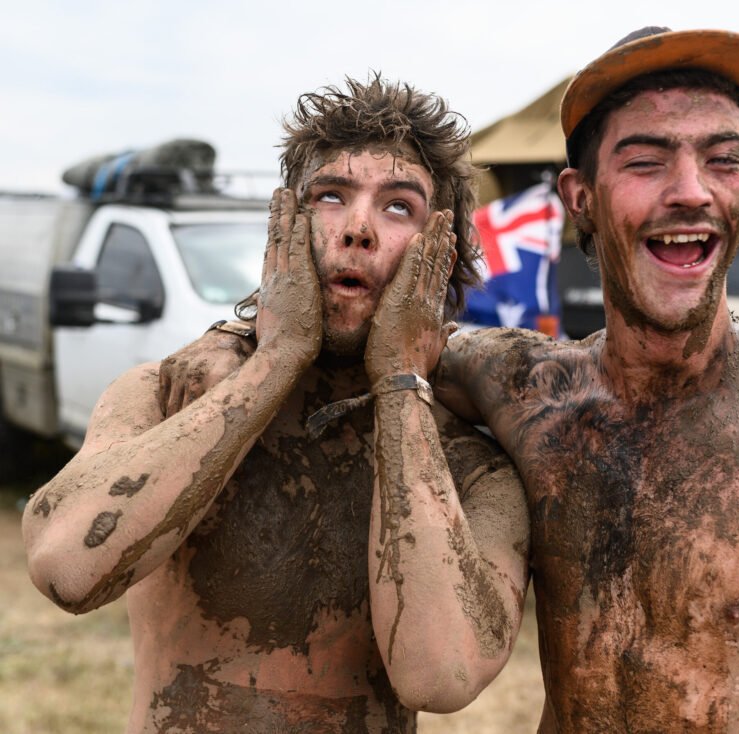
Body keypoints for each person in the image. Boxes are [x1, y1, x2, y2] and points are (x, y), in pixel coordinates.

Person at [162, 28, 739, 732]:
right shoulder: (529, 395)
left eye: (722, 160)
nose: (691, 189)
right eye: (646, 161)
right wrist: (234, 341)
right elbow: (376, 325)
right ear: (581, 199)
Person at [21, 76, 529, 734]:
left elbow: (439, 676)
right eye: (330, 196)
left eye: (398, 207)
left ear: (443, 252)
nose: (357, 229)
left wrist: (400, 381)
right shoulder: (173, 394)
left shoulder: (470, 469)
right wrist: (277, 357)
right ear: (284, 226)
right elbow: (66, 571)